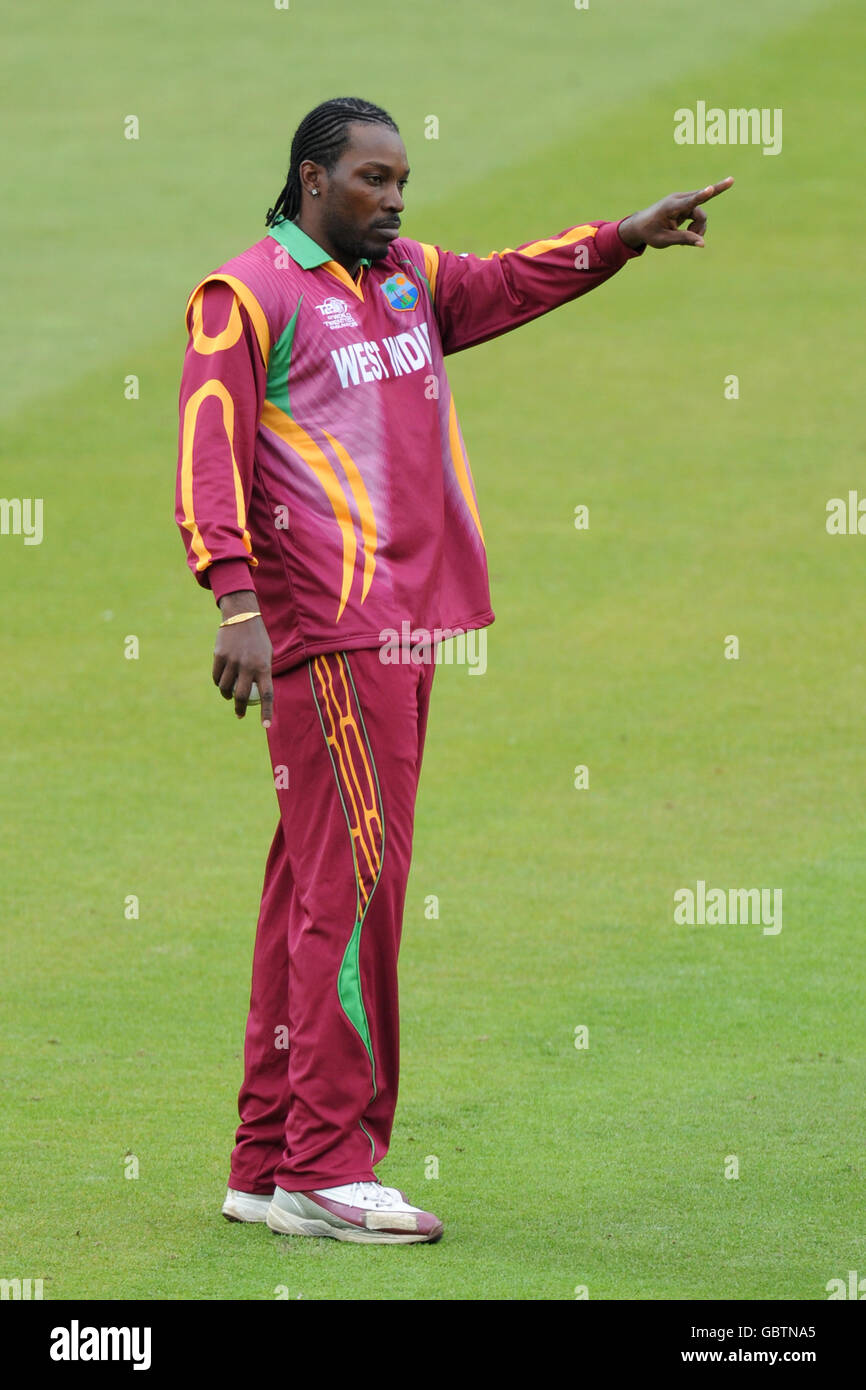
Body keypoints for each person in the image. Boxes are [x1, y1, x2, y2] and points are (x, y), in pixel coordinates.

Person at [175, 95, 732, 1245]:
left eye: (401, 180)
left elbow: (503, 280)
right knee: (356, 891)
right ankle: (329, 1164)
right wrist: (233, 597)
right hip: (333, 632)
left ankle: (267, 1161)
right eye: (372, 179)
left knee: (311, 884)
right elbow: (204, 451)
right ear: (310, 180)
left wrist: (620, 235)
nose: (393, 199)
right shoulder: (248, 296)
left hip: (408, 624)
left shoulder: (404, 278)